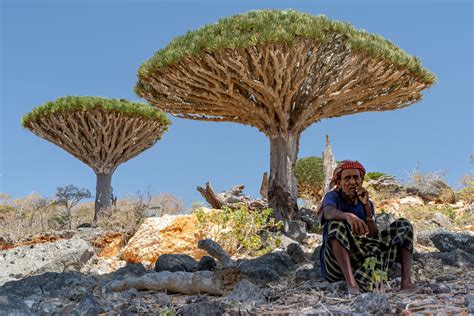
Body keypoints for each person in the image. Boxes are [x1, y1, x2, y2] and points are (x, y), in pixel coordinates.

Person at [318, 160, 417, 295]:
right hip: (335, 266)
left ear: (361, 180)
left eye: (356, 178)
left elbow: (373, 236)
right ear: (339, 183)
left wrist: (366, 208)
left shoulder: (367, 203)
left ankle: (406, 283)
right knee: (335, 225)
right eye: (347, 178)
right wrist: (348, 216)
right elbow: (328, 212)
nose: (352, 182)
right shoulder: (332, 196)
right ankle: (352, 285)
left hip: (362, 260)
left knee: (403, 225)